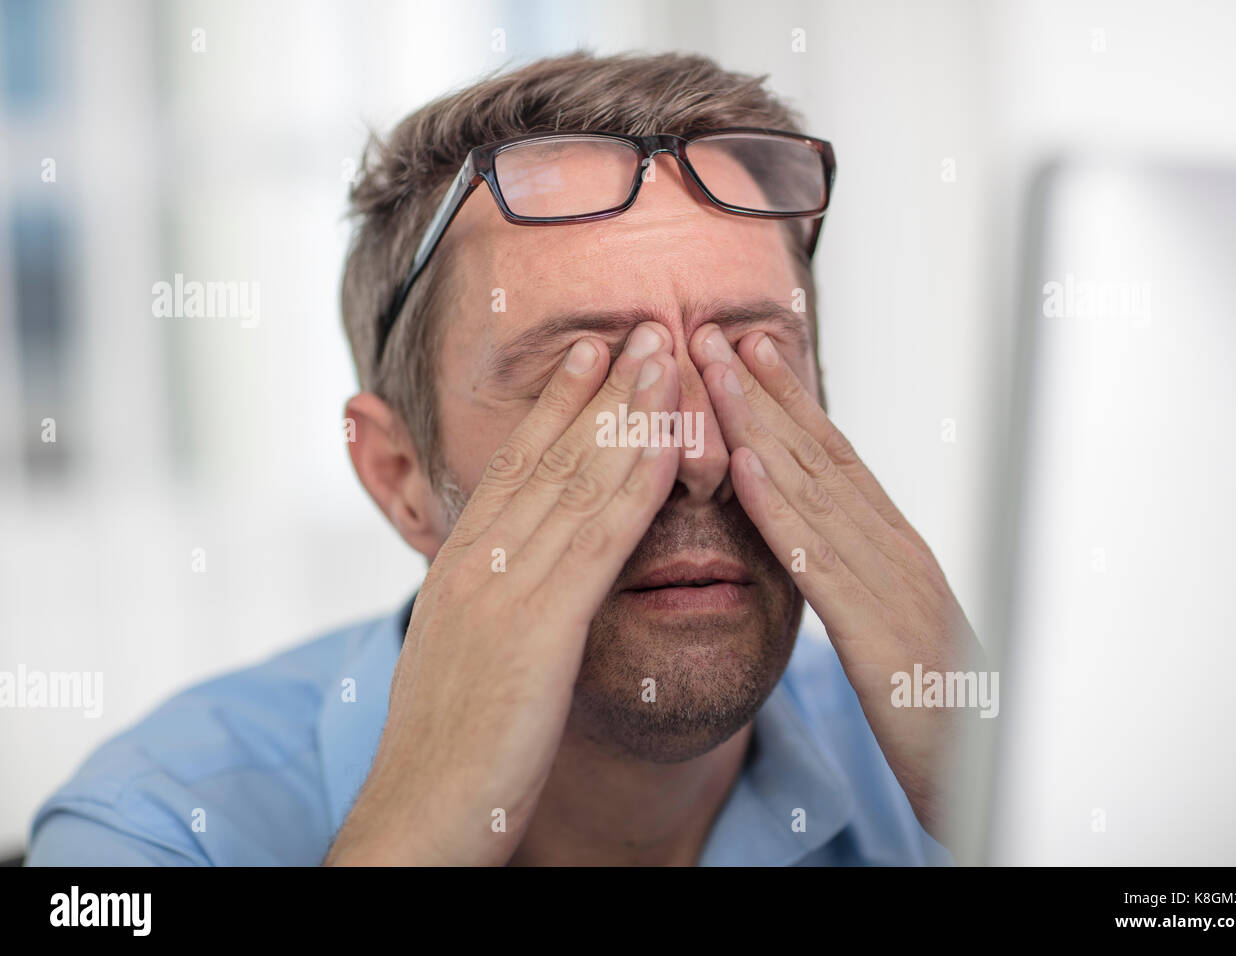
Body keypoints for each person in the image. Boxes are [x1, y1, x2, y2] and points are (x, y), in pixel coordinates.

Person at [27, 50, 982, 866]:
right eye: (591, 375)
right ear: (400, 478)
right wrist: (421, 831)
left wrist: (1015, 813)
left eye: (751, 362)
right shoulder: (151, 826)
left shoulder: (956, 759)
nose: (698, 455)